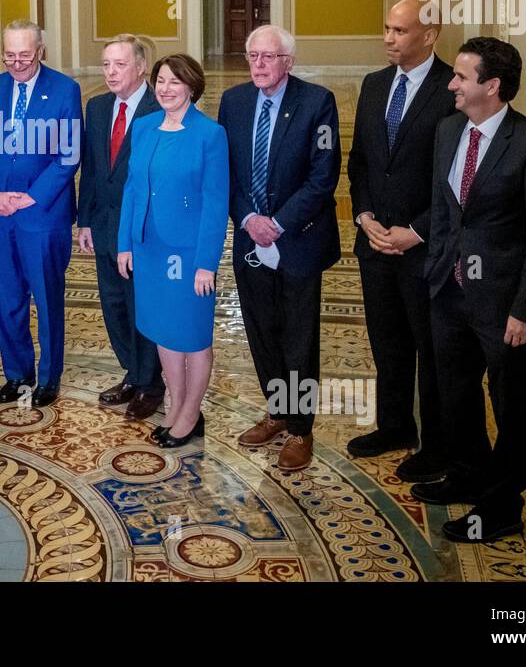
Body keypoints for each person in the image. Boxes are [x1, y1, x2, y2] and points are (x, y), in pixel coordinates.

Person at [416, 37, 526, 544]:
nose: (452, 84)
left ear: (493, 85)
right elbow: (445, 212)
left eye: (461, 77)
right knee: (455, 394)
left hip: (505, 307)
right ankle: (466, 474)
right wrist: (437, 271)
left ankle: (501, 505)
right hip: (450, 294)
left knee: (509, 404)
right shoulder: (448, 130)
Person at [218, 24, 340, 470]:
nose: (258, 65)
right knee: (261, 331)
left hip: (300, 240)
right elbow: (225, 170)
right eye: (252, 56)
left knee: (298, 339)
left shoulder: (317, 103)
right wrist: (250, 220)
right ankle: (277, 410)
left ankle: (301, 429)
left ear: (288, 62)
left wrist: (279, 224)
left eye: (268, 57)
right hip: (250, 238)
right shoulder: (233, 102)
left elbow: (323, 177)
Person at [345, 0, 455, 482]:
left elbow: (457, 177)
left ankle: (437, 444)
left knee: (430, 351)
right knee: (387, 342)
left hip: (424, 248)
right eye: (386, 28)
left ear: (429, 35)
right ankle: (394, 426)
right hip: (376, 244)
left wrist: (416, 231)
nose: (389, 39)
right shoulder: (373, 85)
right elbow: (362, 162)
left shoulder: (452, 88)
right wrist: (364, 215)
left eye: (400, 31)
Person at [0, 19, 82, 407]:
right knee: (7, 297)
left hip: (43, 215)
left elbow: (68, 157)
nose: (16, 63)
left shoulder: (65, 89)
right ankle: (17, 374)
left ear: (41, 52)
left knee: (47, 299)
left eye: (25, 55)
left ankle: (49, 377)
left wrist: (32, 197)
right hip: (0, 214)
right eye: (9, 55)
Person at [117, 54, 228, 447]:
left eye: (174, 82)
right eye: (161, 81)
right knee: (164, 331)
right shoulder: (145, 127)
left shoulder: (209, 135)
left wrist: (205, 265)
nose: (165, 89)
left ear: (191, 87)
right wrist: (125, 243)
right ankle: (179, 406)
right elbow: (132, 188)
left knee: (193, 336)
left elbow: (216, 203)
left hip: (187, 253)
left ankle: (191, 412)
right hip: (148, 249)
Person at [78, 34, 165, 420]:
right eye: (106, 65)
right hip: (104, 225)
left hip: (144, 230)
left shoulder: (159, 107)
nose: (111, 72)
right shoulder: (96, 108)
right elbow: (93, 171)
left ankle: (151, 384)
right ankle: (133, 372)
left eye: (120, 65)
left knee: (142, 306)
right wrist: (84, 222)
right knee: (113, 305)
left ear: (141, 67)